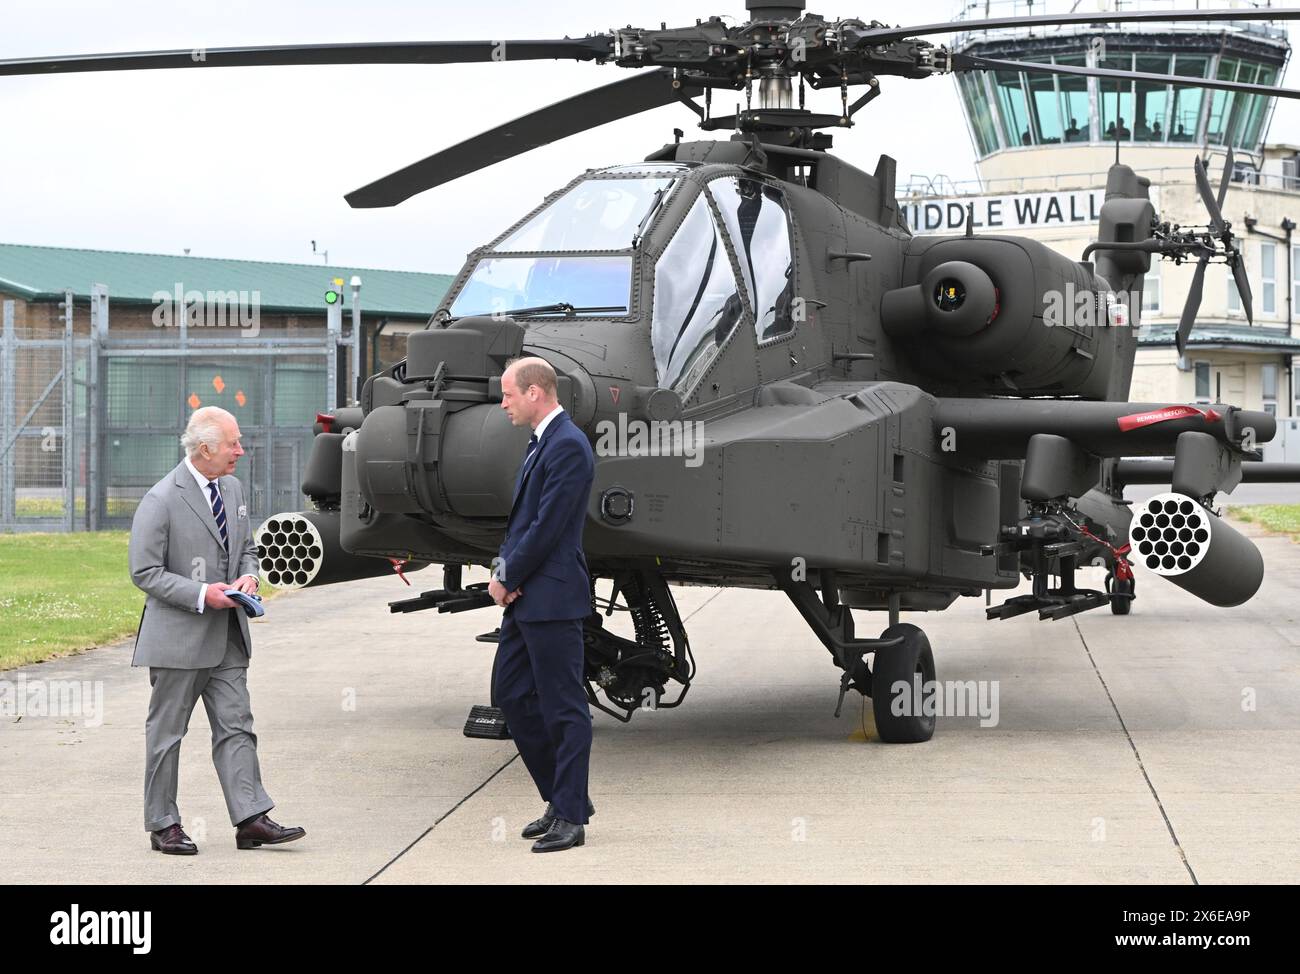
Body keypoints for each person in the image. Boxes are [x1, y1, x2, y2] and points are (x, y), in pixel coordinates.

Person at [128, 405, 304, 854]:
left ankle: (251, 818)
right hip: (178, 641)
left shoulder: (233, 487)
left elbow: (247, 548)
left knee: (237, 726)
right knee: (167, 735)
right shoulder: (161, 499)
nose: (240, 451)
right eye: (233, 444)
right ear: (205, 448)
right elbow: (145, 572)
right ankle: (163, 824)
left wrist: (250, 576)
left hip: (228, 636)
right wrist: (204, 593)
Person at [489, 356, 597, 853]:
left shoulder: (568, 446)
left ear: (536, 393)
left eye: (509, 394)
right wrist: (502, 571)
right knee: (511, 695)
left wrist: (509, 575)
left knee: (564, 707)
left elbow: (549, 526)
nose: (504, 402)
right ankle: (562, 797)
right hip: (525, 596)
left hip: (551, 597)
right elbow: (523, 524)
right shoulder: (541, 444)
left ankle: (571, 816)